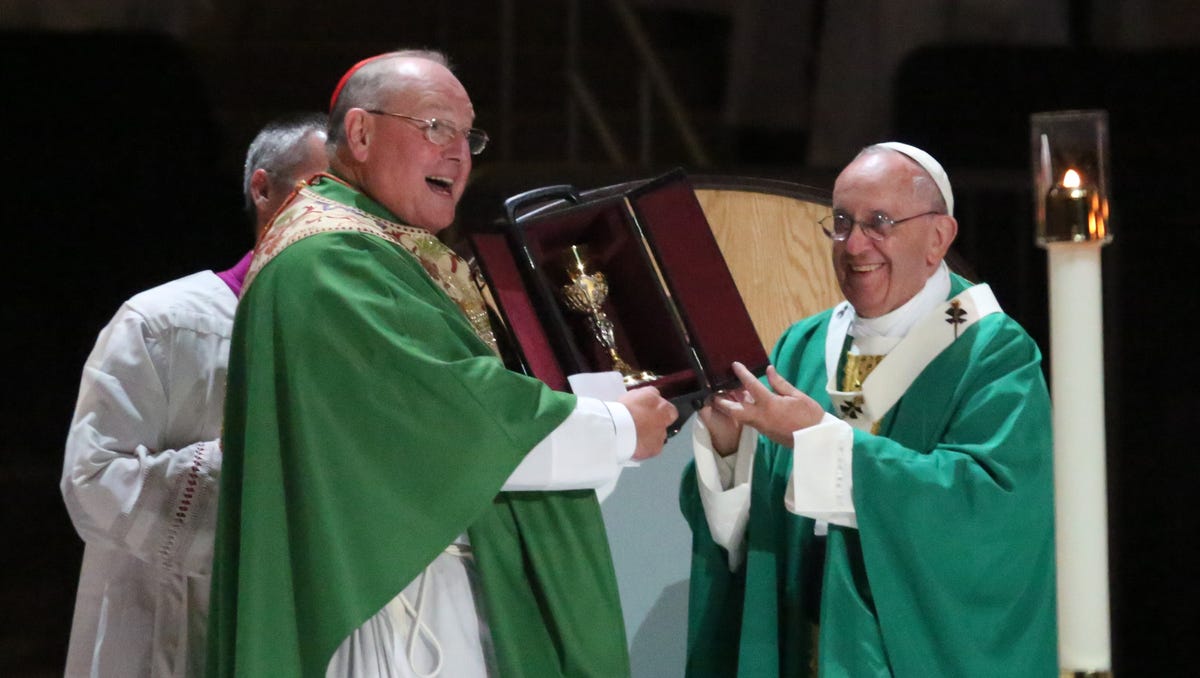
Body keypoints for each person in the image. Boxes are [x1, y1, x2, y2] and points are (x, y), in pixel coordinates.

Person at [206, 50, 678, 678]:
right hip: (389, 594)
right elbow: (456, 419)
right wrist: (616, 428)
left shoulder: (372, 248)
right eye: (435, 128)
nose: (459, 153)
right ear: (361, 133)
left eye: (468, 134)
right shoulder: (330, 262)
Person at [680, 142, 1056, 677]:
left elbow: (988, 511)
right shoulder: (805, 346)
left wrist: (819, 438)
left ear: (938, 238)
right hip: (800, 642)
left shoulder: (990, 352)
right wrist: (727, 446)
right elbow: (755, 519)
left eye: (879, 222)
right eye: (841, 222)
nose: (855, 245)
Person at [60, 114, 329, 677]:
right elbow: (92, 478)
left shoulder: (361, 338)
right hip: (167, 622)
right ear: (263, 189)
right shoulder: (165, 321)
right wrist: (259, 479)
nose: (340, 215)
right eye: (321, 190)